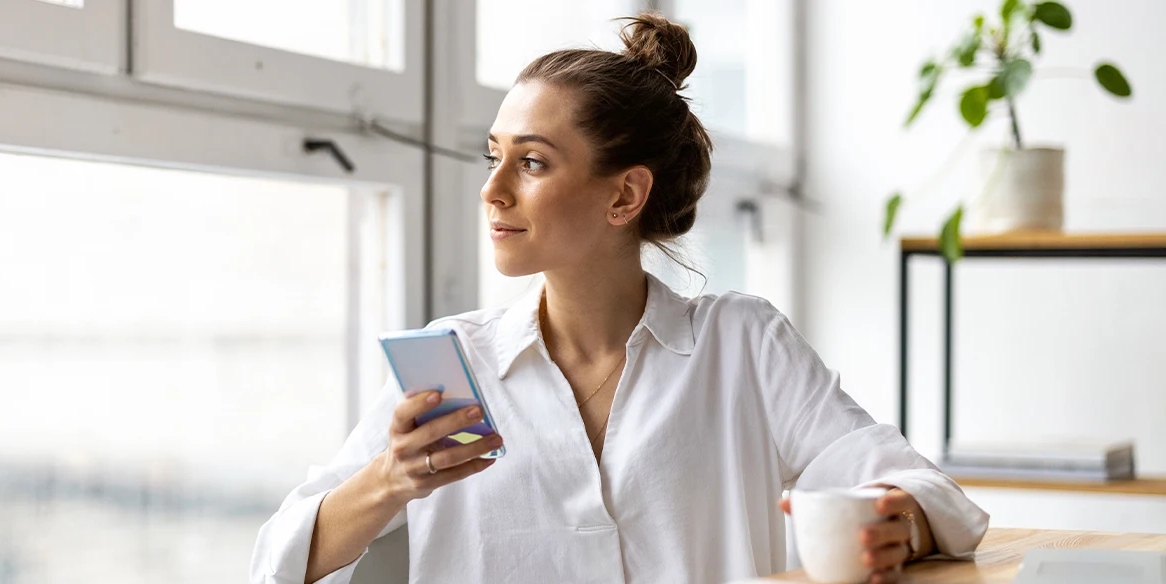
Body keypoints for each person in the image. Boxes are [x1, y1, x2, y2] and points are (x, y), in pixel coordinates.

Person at [251, 12, 989, 584]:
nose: (492, 189)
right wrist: (388, 480)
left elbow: (926, 489)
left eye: (532, 161)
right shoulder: (454, 363)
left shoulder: (742, 343)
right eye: (493, 156)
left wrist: (905, 523)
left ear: (625, 194)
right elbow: (276, 561)